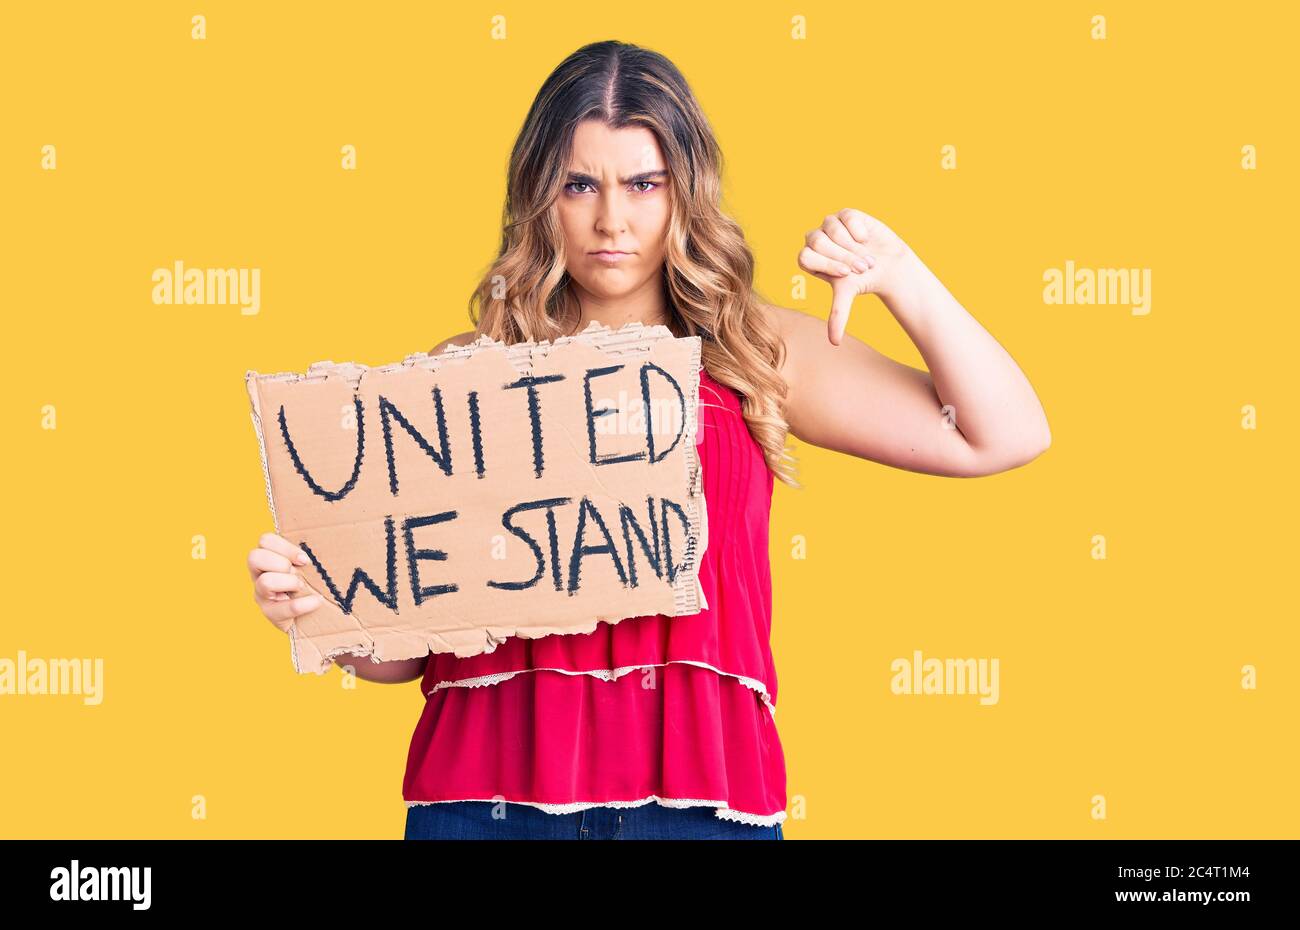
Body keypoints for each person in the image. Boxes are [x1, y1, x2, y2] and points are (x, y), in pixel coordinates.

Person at [246, 40, 1051, 840]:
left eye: (642, 184)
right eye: (579, 184)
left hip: (697, 804)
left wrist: (902, 274)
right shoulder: (465, 373)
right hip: (484, 799)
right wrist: (322, 607)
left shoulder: (752, 346)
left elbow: (1004, 435)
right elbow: (407, 657)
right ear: (540, 196)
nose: (611, 219)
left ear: (684, 192)